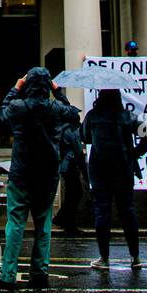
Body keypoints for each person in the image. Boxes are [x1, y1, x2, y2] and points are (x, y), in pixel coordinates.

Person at [0, 67, 74, 289]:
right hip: (47, 175)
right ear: (47, 85)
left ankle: (8, 273)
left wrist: (15, 89)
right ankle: (40, 272)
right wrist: (58, 92)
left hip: (21, 173)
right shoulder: (56, 108)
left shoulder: (19, 107)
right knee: (43, 225)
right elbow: (71, 113)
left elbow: (3, 113)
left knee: (15, 224)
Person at [82, 88, 142, 269]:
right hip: (123, 168)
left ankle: (104, 257)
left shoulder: (92, 116)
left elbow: (84, 137)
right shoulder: (128, 116)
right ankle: (135, 256)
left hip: (100, 169)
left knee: (102, 212)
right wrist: (134, 153)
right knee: (128, 211)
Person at [52, 93, 88, 236]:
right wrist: (86, 174)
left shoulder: (63, 128)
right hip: (70, 166)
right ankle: (67, 222)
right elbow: (78, 153)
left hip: (66, 166)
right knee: (75, 193)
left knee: (73, 194)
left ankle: (63, 218)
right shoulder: (71, 131)